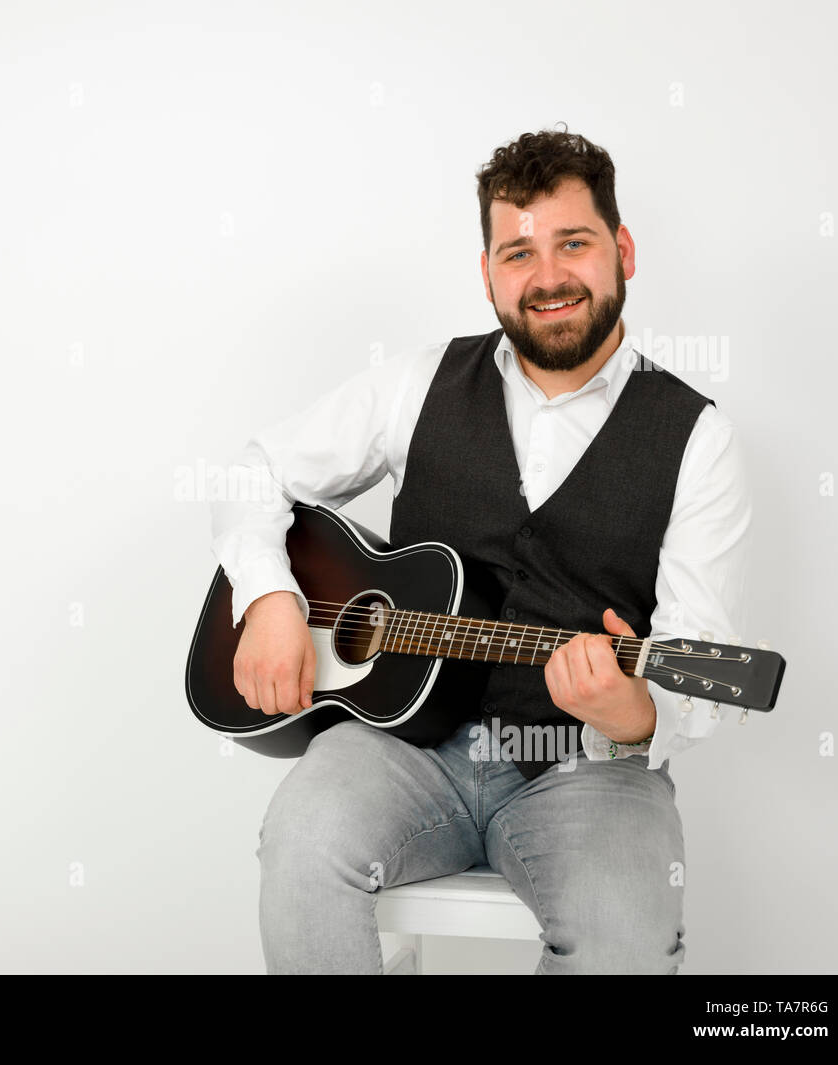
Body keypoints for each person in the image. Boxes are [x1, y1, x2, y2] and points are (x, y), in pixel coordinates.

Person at [208, 127, 752, 974]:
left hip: (587, 770)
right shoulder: (420, 380)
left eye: (573, 242)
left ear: (623, 250)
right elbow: (256, 471)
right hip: (402, 744)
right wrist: (269, 595)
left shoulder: (698, 438)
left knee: (624, 940)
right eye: (516, 253)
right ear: (488, 272)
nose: (547, 277)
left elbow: (695, 668)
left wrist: (634, 709)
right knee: (303, 847)